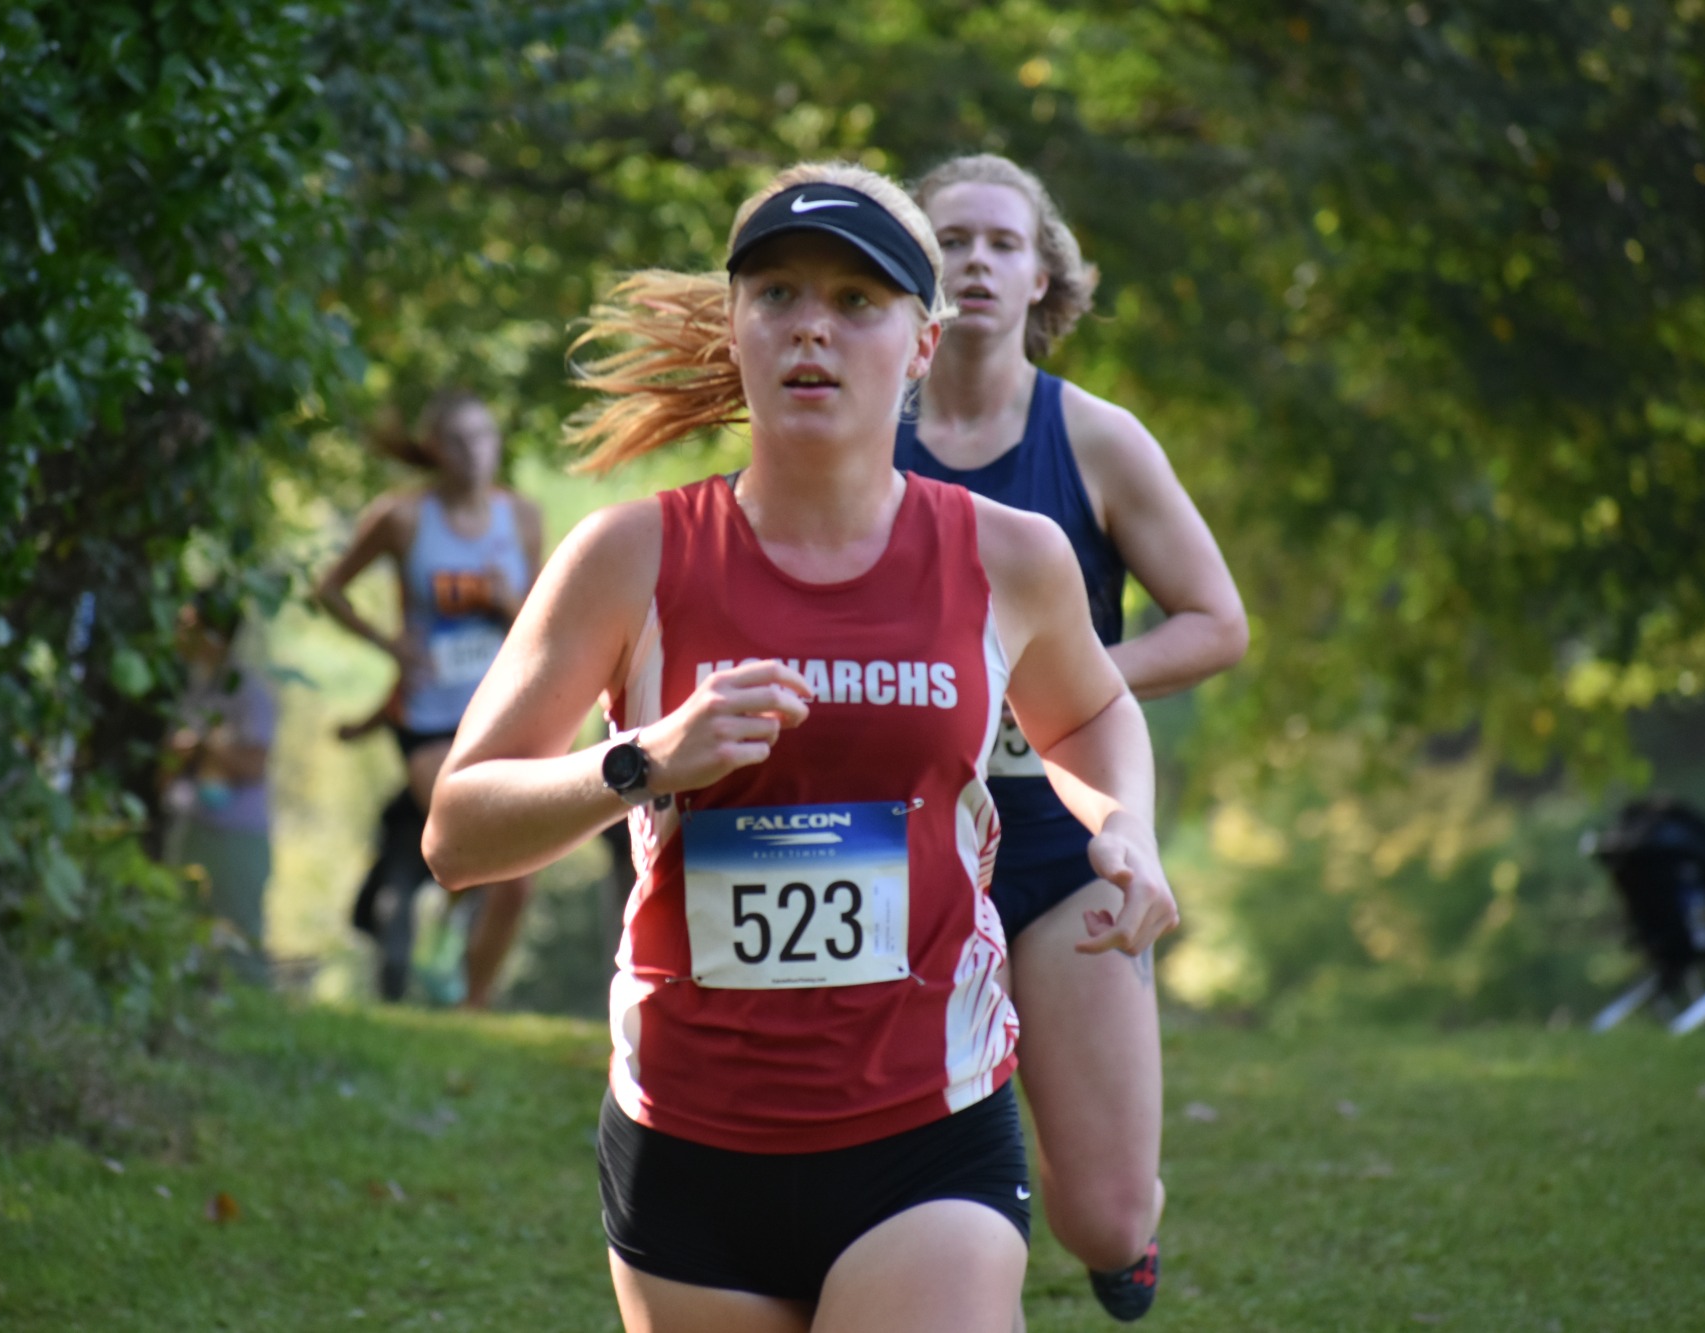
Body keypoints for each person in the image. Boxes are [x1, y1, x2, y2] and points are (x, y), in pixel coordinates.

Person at [420, 161, 1179, 1333]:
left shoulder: (1007, 557)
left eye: (856, 301)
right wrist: (640, 761)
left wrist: (1118, 821)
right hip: (687, 1143)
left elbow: (1086, 715)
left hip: (924, 1129)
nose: (810, 327)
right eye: (775, 294)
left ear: (920, 343)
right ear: (734, 326)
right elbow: (457, 834)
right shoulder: (628, 559)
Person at [896, 152, 1249, 1322]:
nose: (977, 262)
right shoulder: (854, 434)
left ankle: (1117, 1231)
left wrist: (1061, 685)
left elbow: (1214, 622)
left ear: (1044, 274)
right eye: (950, 240)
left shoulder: (1092, 439)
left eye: (1003, 242)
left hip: (1059, 847)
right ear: (912, 270)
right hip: (897, 851)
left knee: (1100, 1213)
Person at [316, 389, 543, 1008]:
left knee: (518, 881)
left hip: (503, 712)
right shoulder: (402, 519)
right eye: (461, 441)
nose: (476, 453)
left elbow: (544, 626)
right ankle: (420, 906)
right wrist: (391, 644)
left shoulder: (521, 517)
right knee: (471, 834)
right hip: (426, 715)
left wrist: (505, 605)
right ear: (435, 450)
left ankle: (473, 1004)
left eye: (486, 437)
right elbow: (329, 590)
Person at [163, 590, 279, 985]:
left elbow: (255, 763)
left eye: (188, 625)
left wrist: (203, 747)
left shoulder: (246, 691)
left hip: (238, 835)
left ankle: (254, 1017)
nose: (179, 634)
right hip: (196, 825)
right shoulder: (196, 687)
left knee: (240, 938)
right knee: (188, 927)